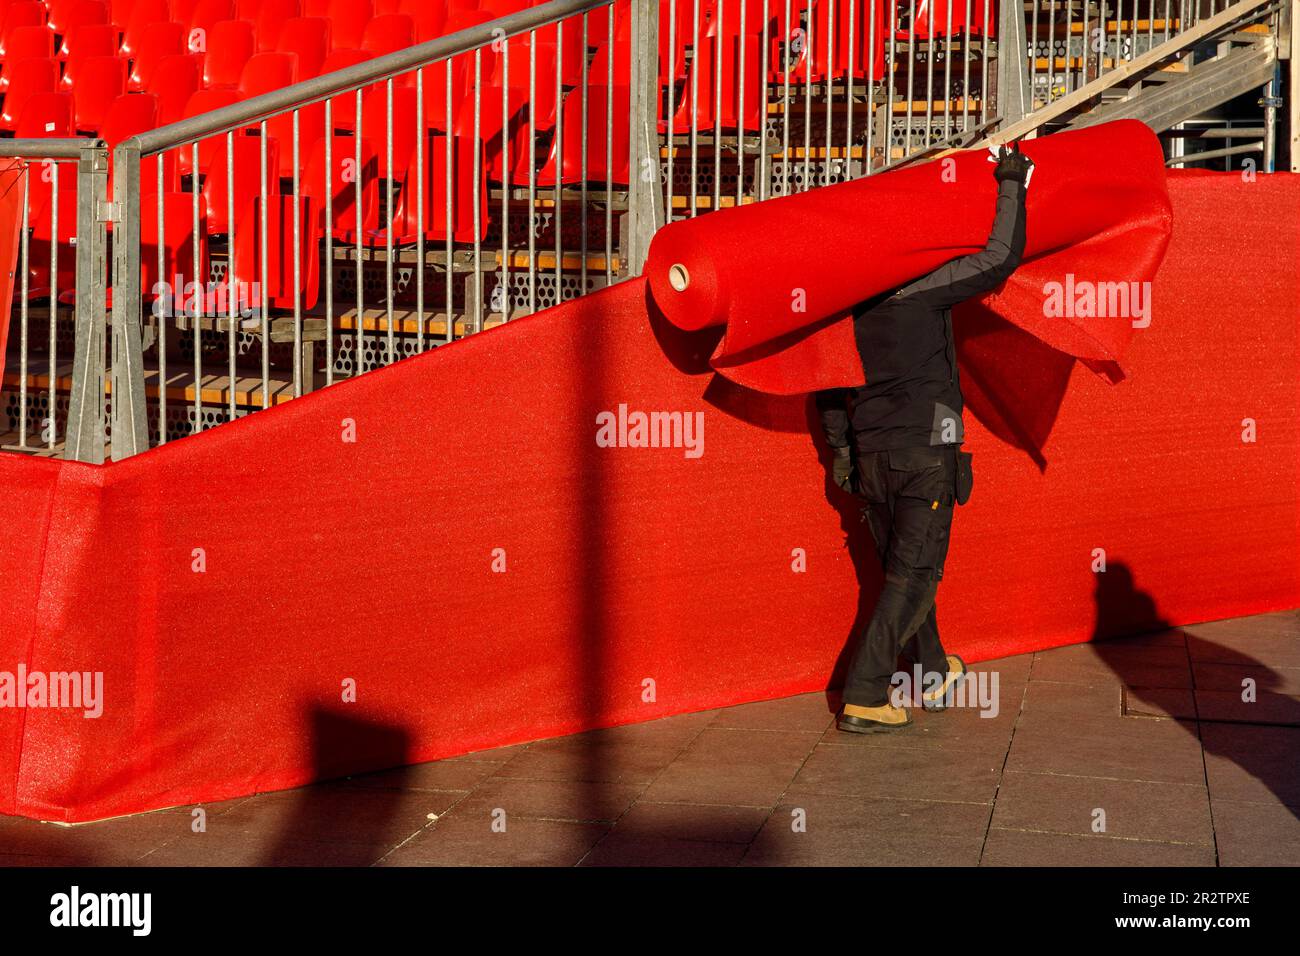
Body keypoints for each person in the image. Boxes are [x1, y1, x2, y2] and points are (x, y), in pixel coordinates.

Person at [817, 142, 1034, 733]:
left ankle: (934, 671)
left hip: (872, 461)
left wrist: (843, 458)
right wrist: (1012, 178)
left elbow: (829, 388)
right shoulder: (922, 291)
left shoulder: (844, 307)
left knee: (902, 570)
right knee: (914, 576)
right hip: (924, 456)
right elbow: (999, 257)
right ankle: (865, 693)